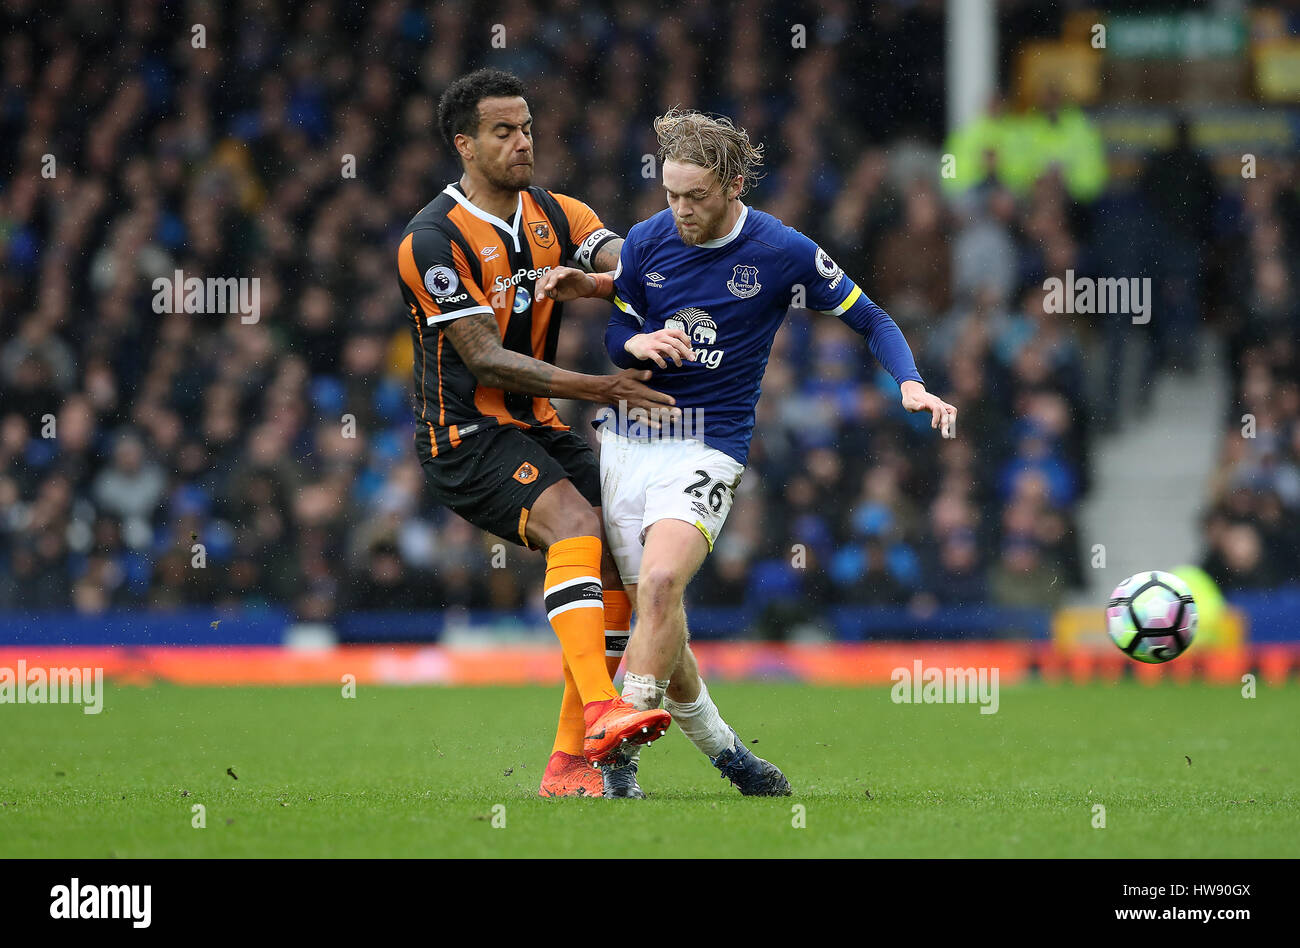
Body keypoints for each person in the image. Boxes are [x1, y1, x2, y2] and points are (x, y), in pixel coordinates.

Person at [539, 109, 957, 798]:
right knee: (664, 634)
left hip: (708, 445)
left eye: (694, 197)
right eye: (670, 194)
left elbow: (871, 316)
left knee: (663, 586)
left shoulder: (781, 251)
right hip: (627, 447)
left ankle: (617, 761)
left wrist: (909, 383)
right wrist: (634, 345)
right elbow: (620, 336)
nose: (679, 210)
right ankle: (734, 758)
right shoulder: (646, 241)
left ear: (733, 185)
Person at [398, 68, 676, 791]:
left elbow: (627, 261)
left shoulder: (558, 214)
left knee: (623, 556)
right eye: (503, 131)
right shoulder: (431, 240)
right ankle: (604, 709)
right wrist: (606, 387)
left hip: (537, 427)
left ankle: (569, 760)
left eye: (526, 128)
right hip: (461, 437)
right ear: (464, 144)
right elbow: (485, 356)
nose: (523, 143)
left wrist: (680, 263)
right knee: (576, 524)